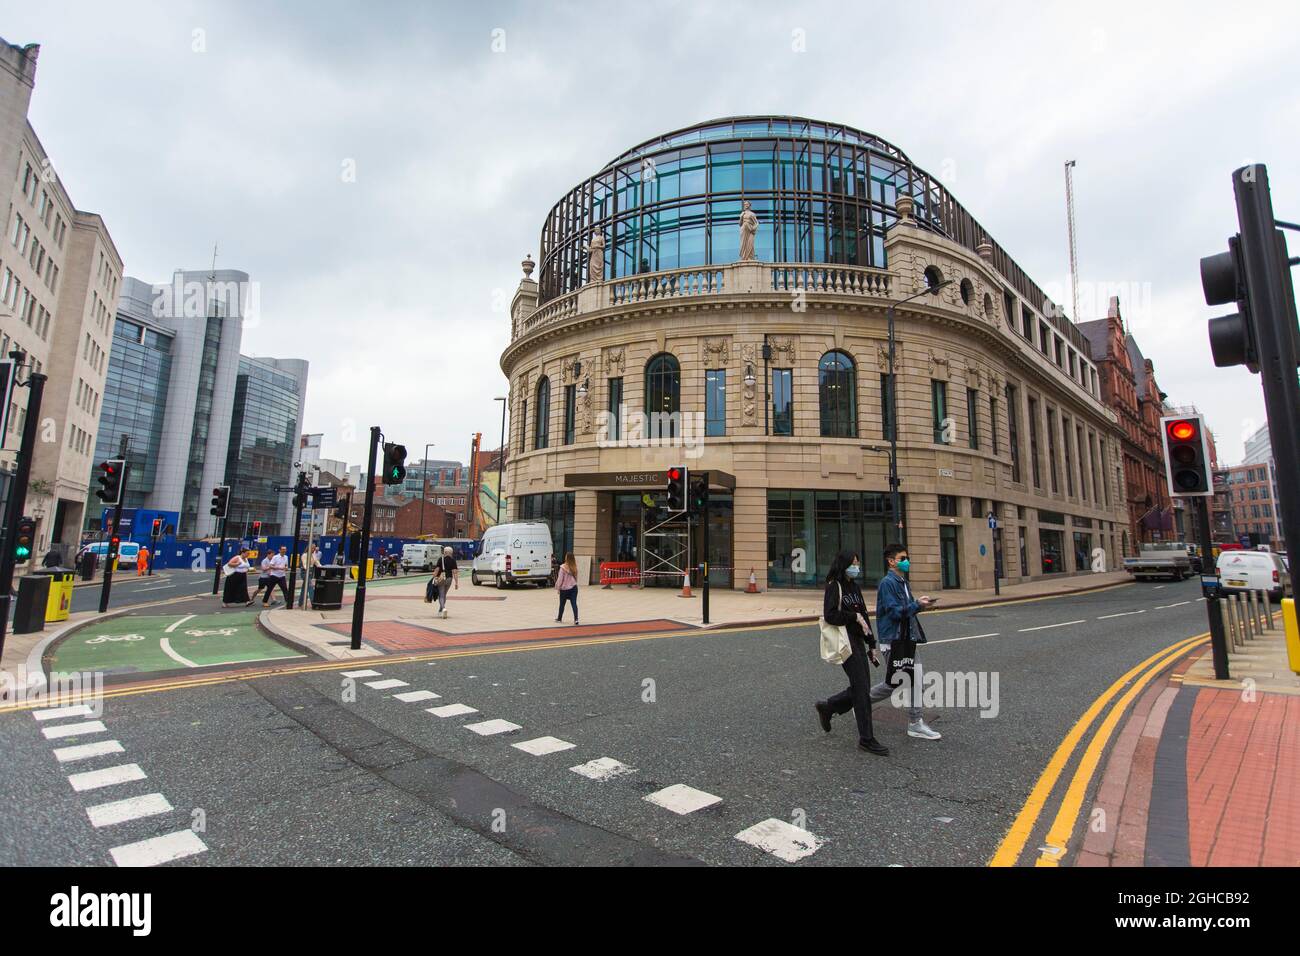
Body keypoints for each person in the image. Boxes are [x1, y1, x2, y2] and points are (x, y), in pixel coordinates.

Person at [814, 551, 888, 756]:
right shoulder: (833, 586)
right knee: (862, 689)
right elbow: (830, 615)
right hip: (845, 642)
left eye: (858, 563)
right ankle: (866, 739)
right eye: (853, 563)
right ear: (844, 564)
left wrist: (871, 643)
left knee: (860, 687)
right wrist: (852, 616)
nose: (857, 567)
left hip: (857, 640)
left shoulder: (854, 587)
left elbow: (863, 615)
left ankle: (829, 707)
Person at [871, 543, 942, 740]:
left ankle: (915, 722)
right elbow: (895, 612)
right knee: (897, 682)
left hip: (906, 639)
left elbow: (906, 609)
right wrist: (917, 605)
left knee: (913, 680)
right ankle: (860, 701)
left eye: (906, 558)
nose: (906, 561)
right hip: (894, 640)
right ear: (891, 561)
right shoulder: (888, 583)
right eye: (902, 558)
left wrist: (919, 604)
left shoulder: (903, 582)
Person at [433, 545, 458, 619]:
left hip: (441, 578)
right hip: (449, 579)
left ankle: (443, 608)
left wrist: (434, 577)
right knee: (444, 595)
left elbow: (437, 569)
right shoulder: (453, 560)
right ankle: (441, 610)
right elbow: (455, 572)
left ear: (445, 552)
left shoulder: (441, 559)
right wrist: (456, 583)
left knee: (441, 595)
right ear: (451, 553)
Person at [555, 552, 580, 624]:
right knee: (574, 603)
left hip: (564, 589)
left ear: (566, 558)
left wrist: (558, 587)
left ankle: (559, 619)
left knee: (562, 604)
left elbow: (560, 579)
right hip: (573, 588)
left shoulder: (562, 568)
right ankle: (576, 619)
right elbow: (576, 578)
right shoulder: (574, 567)